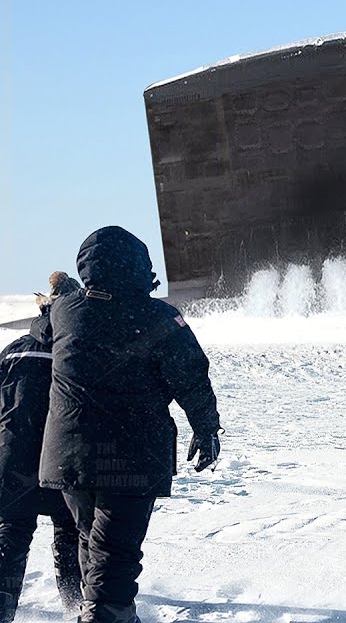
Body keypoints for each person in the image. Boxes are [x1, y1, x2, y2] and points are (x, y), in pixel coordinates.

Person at [40, 227, 222, 623]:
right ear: (139, 267)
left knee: (93, 540)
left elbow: (45, 328)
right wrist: (206, 426)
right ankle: (106, 614)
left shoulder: (65, 311)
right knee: (115, 551)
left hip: (69, 454)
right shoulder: (157, 316)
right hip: (129, 452)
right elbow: (190, 374)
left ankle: (103, 609)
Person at [0, 274, 85, 622]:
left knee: (12, 536)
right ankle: (75, 606)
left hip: (13, 460)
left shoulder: (13, 351)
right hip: (62, 459)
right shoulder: (77, 350)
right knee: (69, 533)